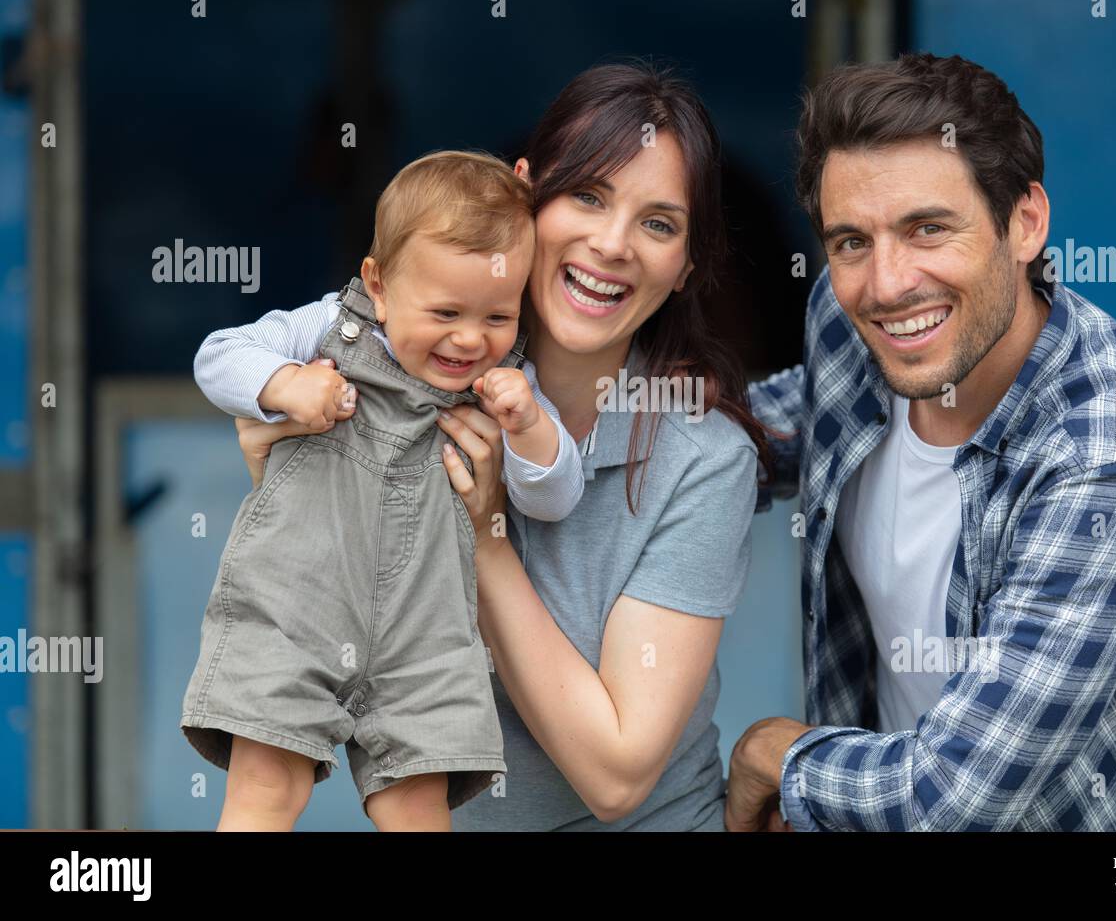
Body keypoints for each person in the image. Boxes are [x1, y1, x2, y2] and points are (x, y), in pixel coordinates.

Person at [726, 53, 1116, 831]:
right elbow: (775, 425)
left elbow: (958, 796)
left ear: (1025, 223)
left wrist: (777, 757)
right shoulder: (850, 315)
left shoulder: (1112, 452)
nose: (887, 284)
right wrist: (553, 440)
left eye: (929, 228)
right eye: (851, 240)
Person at [234, 61, 770, 830]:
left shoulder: (703, 458)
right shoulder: (377, 386)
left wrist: (484, 536)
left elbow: (616, 778)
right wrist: (294, 477)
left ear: (685, 264)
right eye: (587, 195)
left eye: (658, 223)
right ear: (524, 194)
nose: (612, 243)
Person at [182, 150, 585, 831]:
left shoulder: (510, 388)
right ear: (380, 285)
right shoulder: (330, 329)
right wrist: (285, 385)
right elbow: (217, 356)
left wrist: (531, 429)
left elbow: (554, 498)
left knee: (417, 806)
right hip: (294, 604)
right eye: (446, 311)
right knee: (265, 786)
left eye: (498, 318)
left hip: (426, 633)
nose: (469, 339)